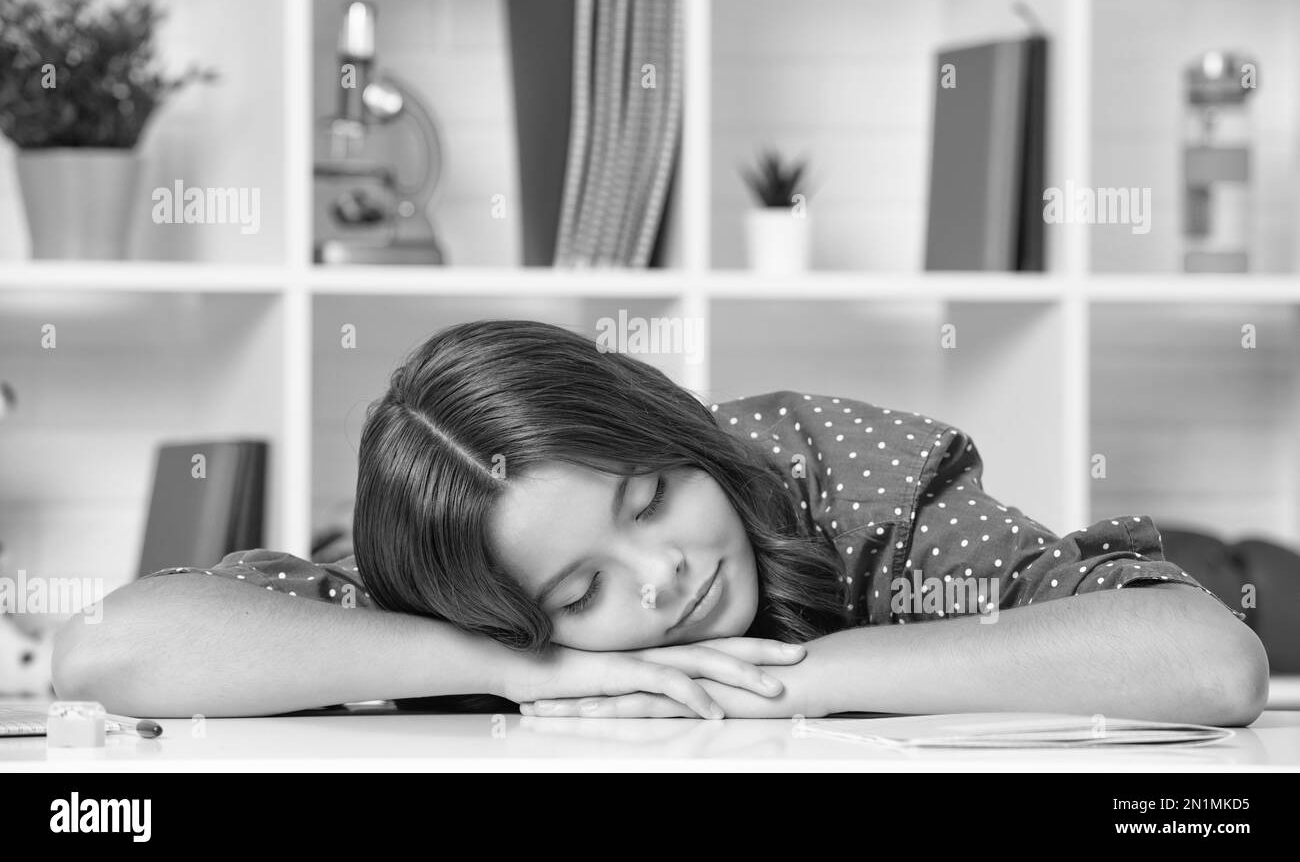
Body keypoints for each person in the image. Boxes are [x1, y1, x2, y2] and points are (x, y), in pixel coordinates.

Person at [52, 319, 1268, 724]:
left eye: (649, 496)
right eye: (578, 593)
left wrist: (767, 680)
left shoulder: (822, 471)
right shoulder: (452, 598)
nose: (667, 569)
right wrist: (523, 673)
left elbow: (1208, 659)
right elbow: (109, 648)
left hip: (1220, 572)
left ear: (676, 428)